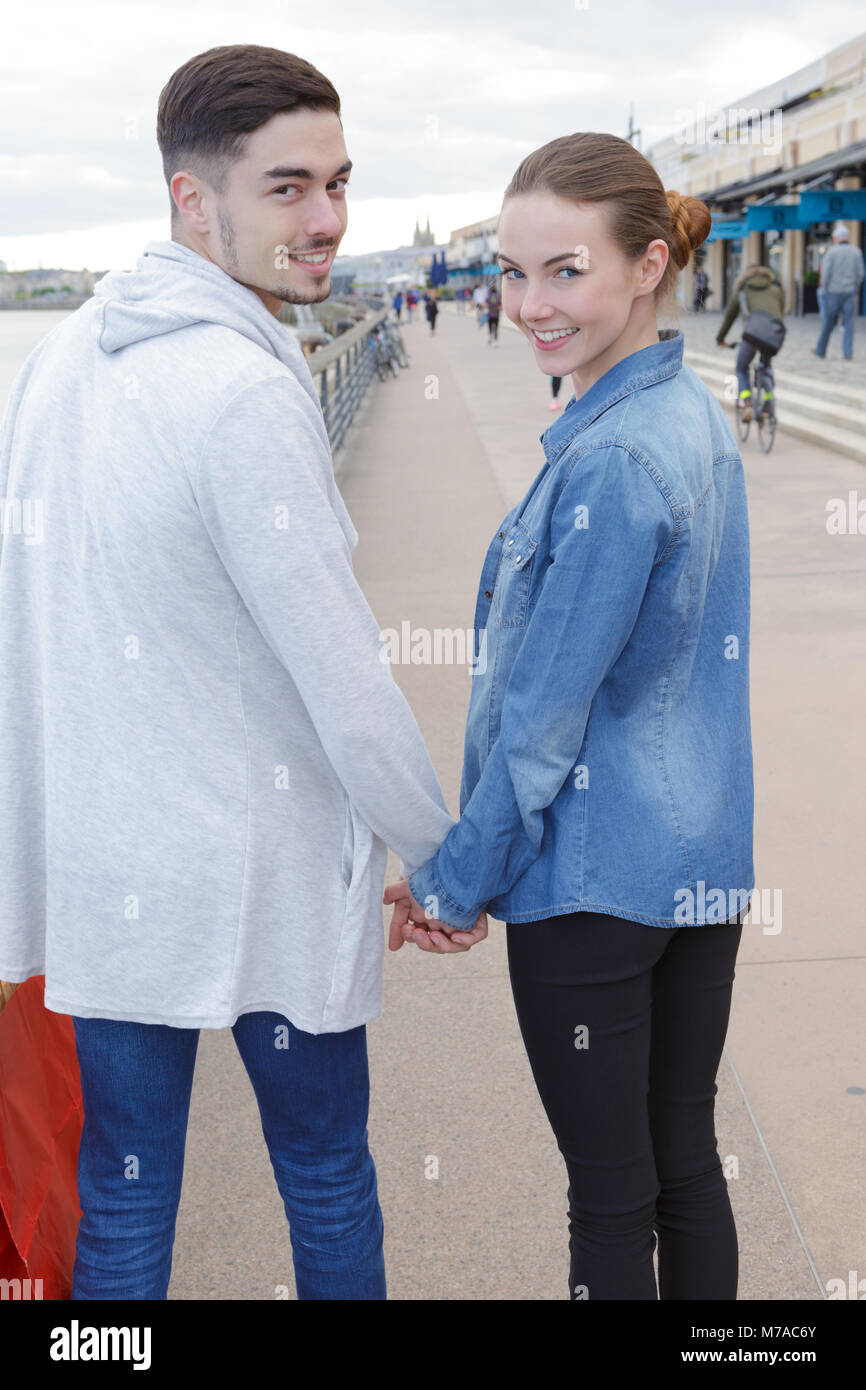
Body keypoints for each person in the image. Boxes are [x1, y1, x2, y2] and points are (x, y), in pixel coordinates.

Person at [0, 43, 486, 1302]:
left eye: (336, 182)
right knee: (323, 1172)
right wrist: (437, 856)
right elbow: (342, 676)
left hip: (108, 875)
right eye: (285, 188)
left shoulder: (55, 369)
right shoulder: (238, 390)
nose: (326, 219)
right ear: (191, 198)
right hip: (262, 875)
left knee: (120, 1188)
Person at [384, 130, 753, 1301]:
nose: (530, 304)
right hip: (697, 860)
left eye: (564, 271)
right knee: (682, 1165)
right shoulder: (685, 416)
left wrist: (453, 878)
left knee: (609, 1196)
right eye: (511, 271)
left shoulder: (609, 459)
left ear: (645, 266)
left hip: (595, 882)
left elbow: (542, 718)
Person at [716, 264, 785, 422]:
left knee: (741, 367)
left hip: (752, 334)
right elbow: (781, 311)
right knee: (766, 367)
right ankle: (769, 404)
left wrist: (720, 339)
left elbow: (729, 317)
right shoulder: (775, 289)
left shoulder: (742, 291)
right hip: (775, 335)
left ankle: (747, 404)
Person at [814, 224, 864, 360]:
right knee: (849, 324)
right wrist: (854, 287)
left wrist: (824, 290)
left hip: (833, 292)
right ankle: (847, 353)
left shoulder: (832, 252)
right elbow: (860, 274)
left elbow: (826, 273)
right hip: (849, 292)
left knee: (828, 323)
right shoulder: (856, 252)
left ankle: (821, 350)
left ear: (837, 238)